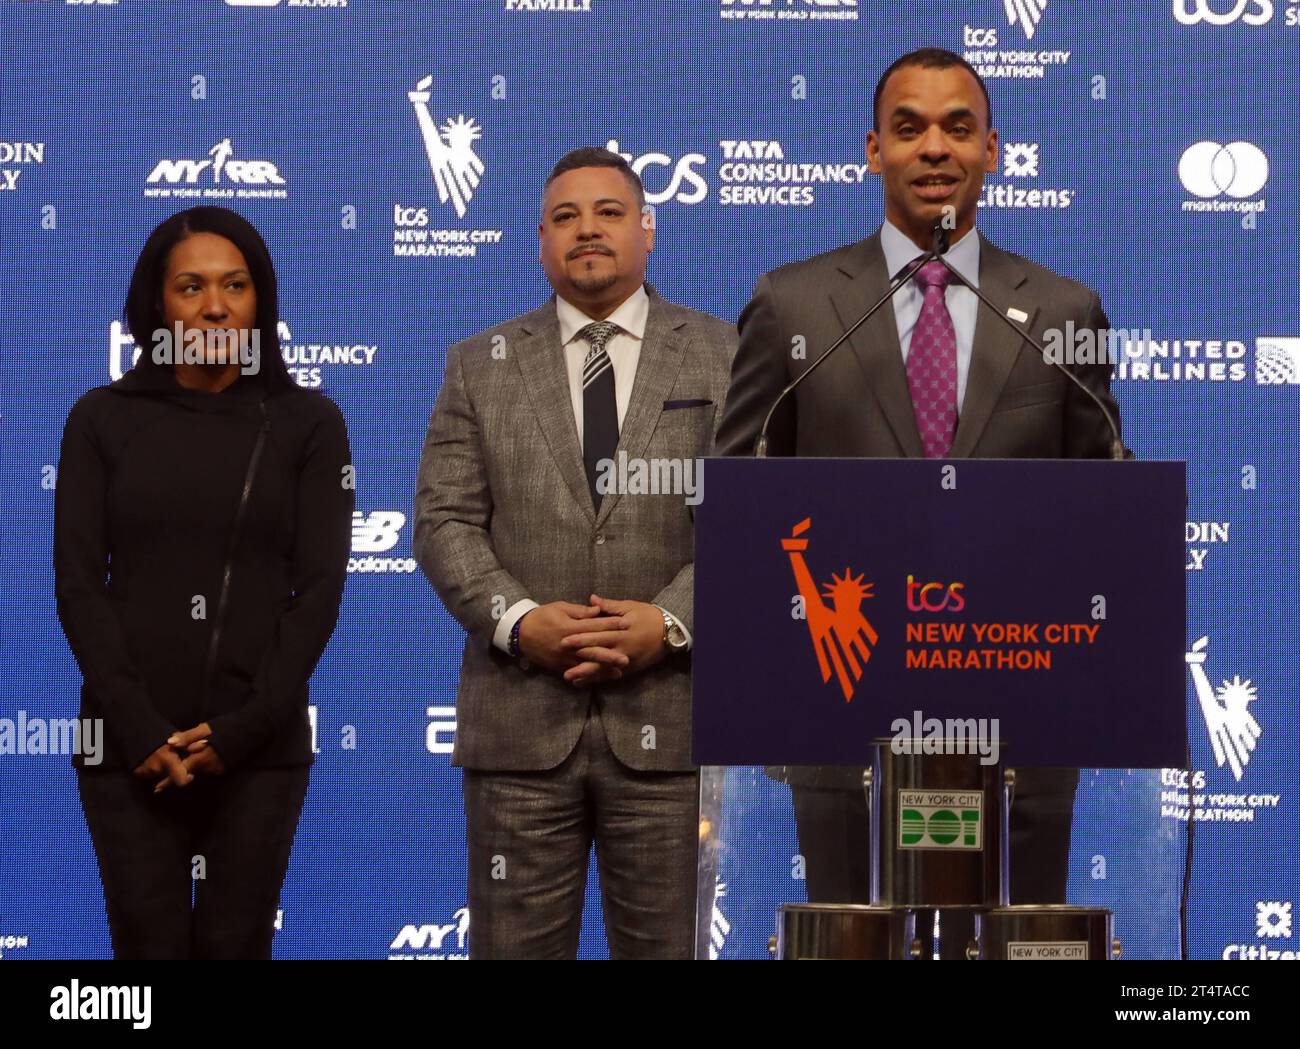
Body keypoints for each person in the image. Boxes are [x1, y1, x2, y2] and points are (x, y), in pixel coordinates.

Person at [713, 48, 1123, 905]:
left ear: (993, 151)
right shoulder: (793, 306)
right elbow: (735, 494)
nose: (934, 148)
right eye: (910, 128)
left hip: (1026, 706)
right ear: (872, 150)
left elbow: (1109, 510)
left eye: (957, 128)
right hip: (839, 697)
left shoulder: (1061, 310)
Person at [414, 147, 737, 959]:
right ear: (539, 241)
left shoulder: (725, 354)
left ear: (648, 230)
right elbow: (444, 521)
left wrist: (667, 623)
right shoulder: (478, 363)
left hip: (674, 721)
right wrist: (520, 622)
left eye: (608, 212)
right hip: (520, 725)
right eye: (565, 217)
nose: (586, 230)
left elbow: (755, 523)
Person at [55, 205, 353, 958]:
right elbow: (79, 586)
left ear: (261, 302)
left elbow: (317, 593)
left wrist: (243, 730)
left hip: (259, 747)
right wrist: (139, 727)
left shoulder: (309, 422)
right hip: (126, 747)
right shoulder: (101, 418)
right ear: (157, 303)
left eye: (235, 285)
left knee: (236, 946)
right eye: (191, 286)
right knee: (143, 954)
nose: (215, 304)